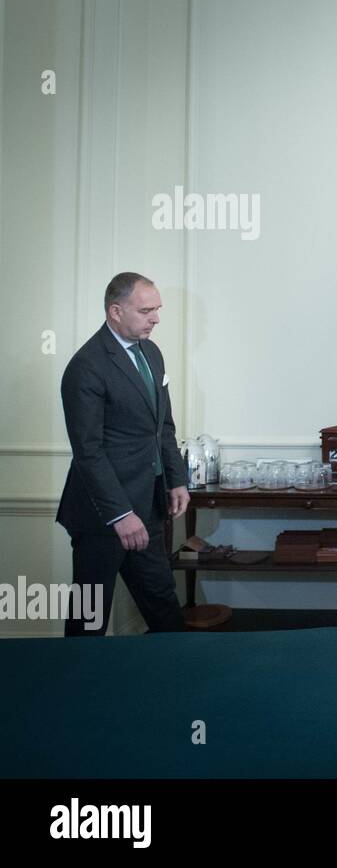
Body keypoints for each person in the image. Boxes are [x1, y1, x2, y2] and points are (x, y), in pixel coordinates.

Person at [57, 272, 190, 635]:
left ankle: (182, 683)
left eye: (157, 309)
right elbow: (88, 452)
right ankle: (75, 689)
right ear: (115, 311)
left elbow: (162, 426)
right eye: (146, 310)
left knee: (164, 606)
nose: (156, 318)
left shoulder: (152, 353)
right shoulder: (86, 366)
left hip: (148, 505)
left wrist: (176, 479)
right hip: (102, 516)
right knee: (89, 620)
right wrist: (120, 514)